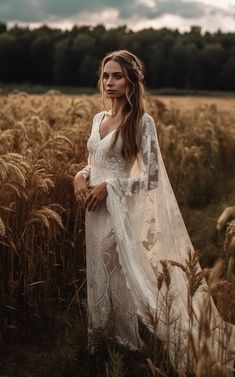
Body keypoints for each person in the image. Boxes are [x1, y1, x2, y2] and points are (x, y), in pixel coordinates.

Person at [74, 50, 235, 374]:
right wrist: (79, 176)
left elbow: (150, 178)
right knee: (98, 271)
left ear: (132, 80)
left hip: (118, 210)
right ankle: (100, 339)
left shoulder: (141, 122)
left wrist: (111, 188)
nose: (109, 82)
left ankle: (126, 341)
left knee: (120, 273)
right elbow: (95, 164)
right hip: (94, 211)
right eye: (105, 75)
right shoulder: (98, 119)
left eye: (117, 75)